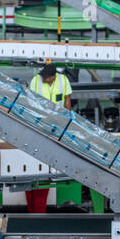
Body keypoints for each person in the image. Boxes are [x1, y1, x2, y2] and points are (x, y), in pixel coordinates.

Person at [24, 64, 73, 213]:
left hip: (56, 124)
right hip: (39, 123)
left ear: (53, 76)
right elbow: (29, 102)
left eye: (46, 77)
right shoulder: (35, 81)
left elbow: (67, 100)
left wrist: (66, 120)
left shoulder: (63, 80)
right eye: (42, 76)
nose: (43, 79)